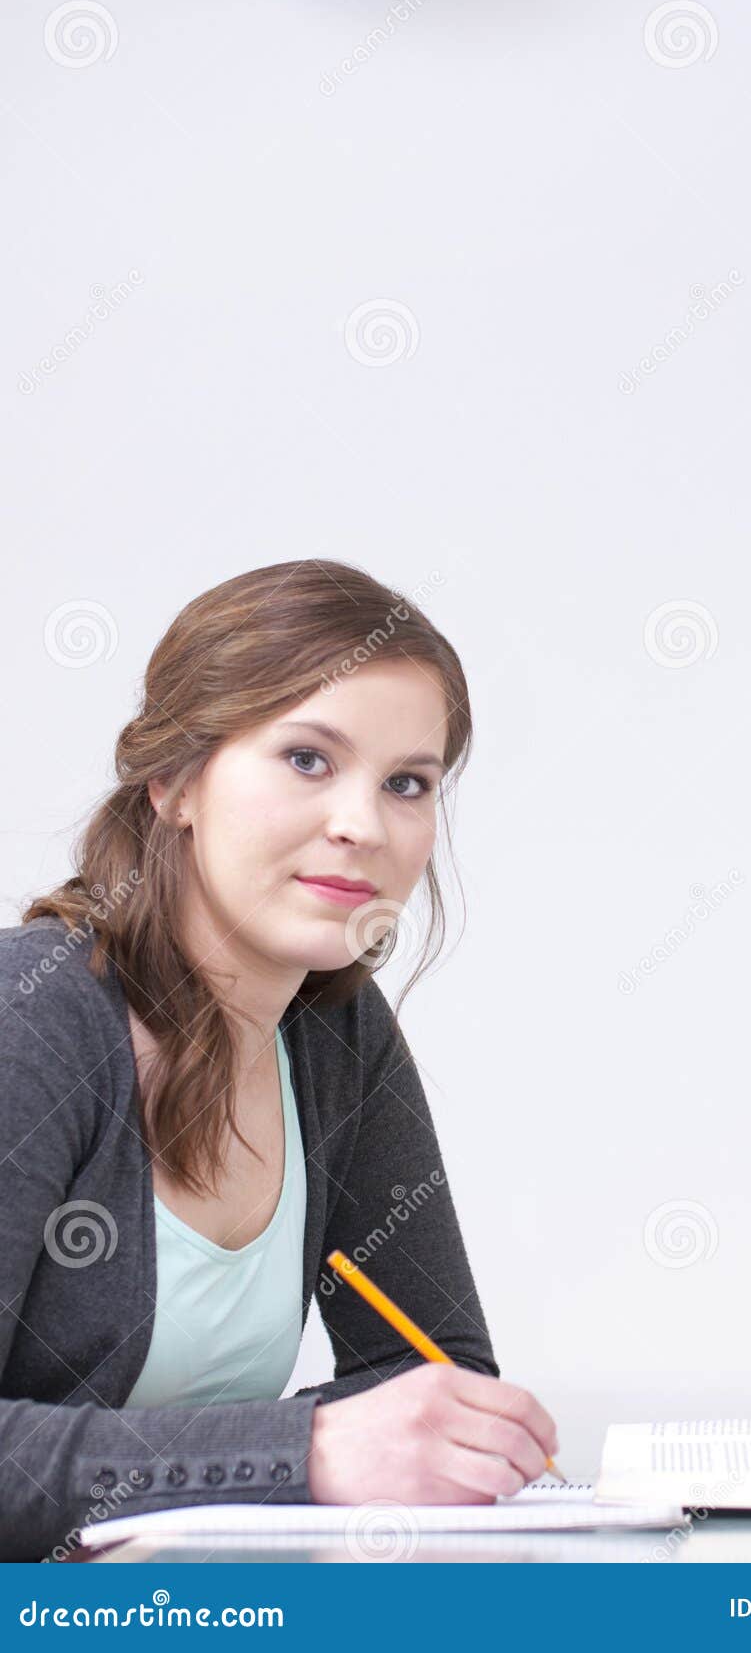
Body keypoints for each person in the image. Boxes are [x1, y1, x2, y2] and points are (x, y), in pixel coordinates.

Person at [0, 558, 557, 1562]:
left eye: (406, 783)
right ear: (173, 780)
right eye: (307, 759)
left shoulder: (334, 1030)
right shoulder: (31, 1019)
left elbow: (434, 1378)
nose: (363, 823)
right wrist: (303, 1446)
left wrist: (414, 1439)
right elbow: (336, 1443)